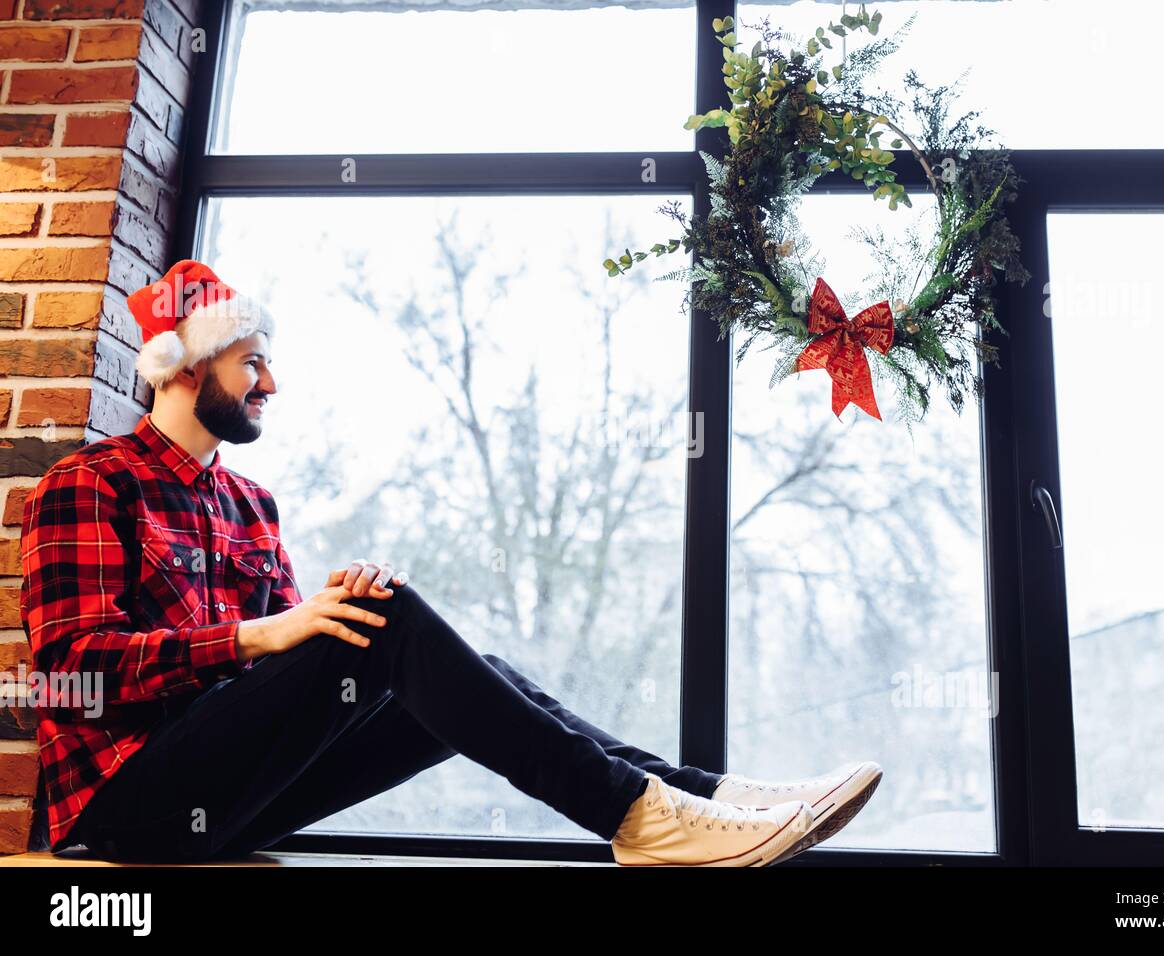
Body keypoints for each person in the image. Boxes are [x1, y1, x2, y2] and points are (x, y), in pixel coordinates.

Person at [18, 259, 883, 867]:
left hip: (236, 798)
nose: (271, 384)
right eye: (253, 363)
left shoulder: (250, 504)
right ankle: (636, 816)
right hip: (129, 809)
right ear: (184, 367)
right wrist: (265, 634)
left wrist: (317, 623)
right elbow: (67, 673)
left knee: (452, 662)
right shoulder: (91, 485)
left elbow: (272, 674)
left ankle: (702, 795)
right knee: (388, 617)